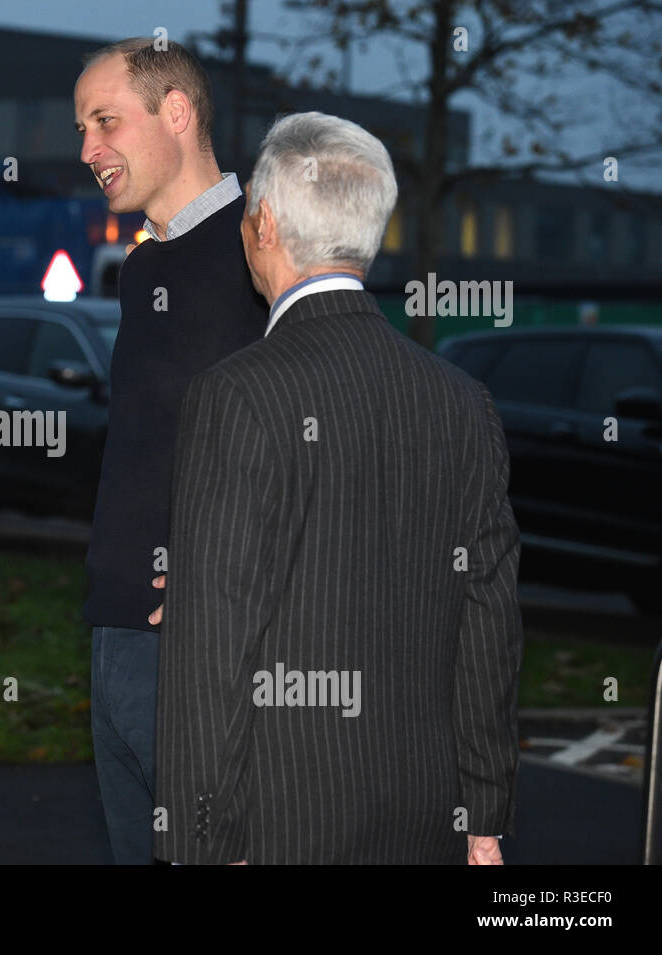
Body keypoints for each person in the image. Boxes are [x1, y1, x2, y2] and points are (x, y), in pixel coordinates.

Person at [154, 111, 521, 864]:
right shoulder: (462, 400)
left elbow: (214, 645)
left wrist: (202, 839)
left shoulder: (237, 394)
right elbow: (489, 620)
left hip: (280, 823)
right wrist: (483, 814)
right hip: (427, 816)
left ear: (263, 225)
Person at [73, 37, 268, 864]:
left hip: (203, 651)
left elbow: (304, 449)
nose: (88, 150)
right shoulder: (142, 267)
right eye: (82, 129)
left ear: (177, 112)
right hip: (118, 634)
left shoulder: (261, 249)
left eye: (105, 121)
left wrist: (221, 581)